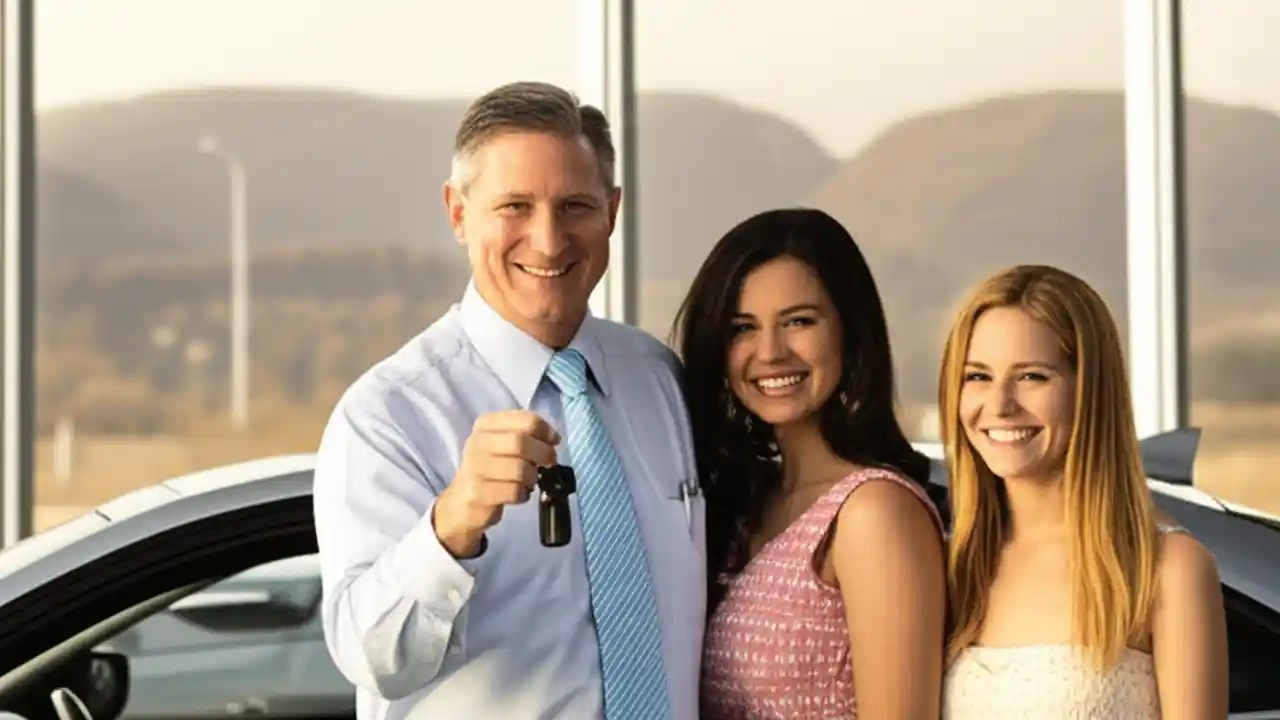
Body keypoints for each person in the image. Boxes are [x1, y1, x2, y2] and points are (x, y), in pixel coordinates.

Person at [312, 81, 705, 720]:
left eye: (575, 206)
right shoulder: (388, 415)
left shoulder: (657, 379)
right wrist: (450, 527)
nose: (548, 241)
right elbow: (371, 658)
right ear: (459, 213)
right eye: (515, 206)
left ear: (613, 211)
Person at [673, 208, 947, 719]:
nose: (771, 351)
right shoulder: (743, 503)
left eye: (799, 321)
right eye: (742, 328)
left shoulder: (874, 513)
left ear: (850, 330)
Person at [939, 265, 1229, 719]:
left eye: (1032, 376)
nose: (999, 405)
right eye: (977, 376)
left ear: (1089, 390)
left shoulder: (1165, 570)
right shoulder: (948, 568)